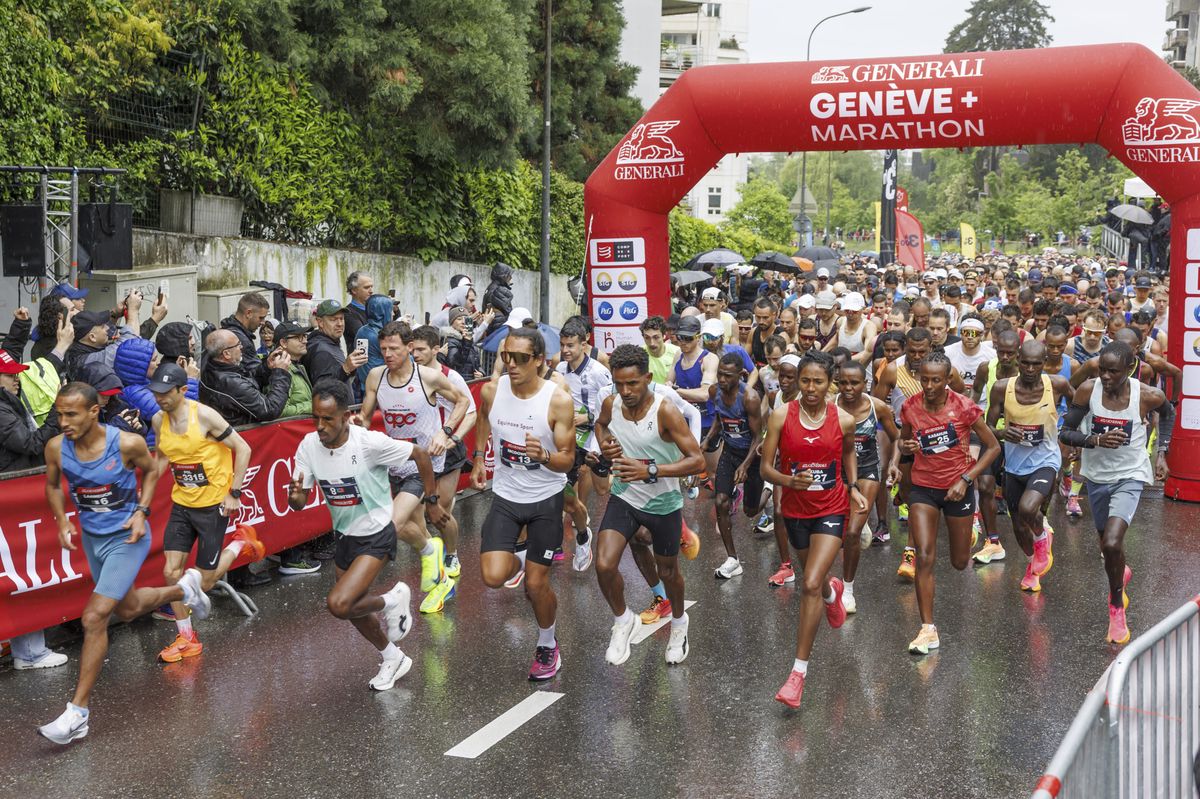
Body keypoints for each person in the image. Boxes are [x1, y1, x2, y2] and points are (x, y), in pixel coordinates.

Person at [39, 383, 207, 744]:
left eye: (71, 414)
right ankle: (183, 590)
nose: (64, 422)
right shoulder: (56, 447)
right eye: (60, 414)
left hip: (127, 538)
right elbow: (52, 485)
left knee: (94, 617)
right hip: (92, 539)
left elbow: (152, 470)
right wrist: (62, 519)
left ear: (93, 411)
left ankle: (77, 713)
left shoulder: (126, 443)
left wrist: (142, 511)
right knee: (128, 609)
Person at [288, 380, 446, 691]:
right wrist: (294, 496)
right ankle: (392, 657)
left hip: (377, 535)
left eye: (328, 419)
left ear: (346, 416)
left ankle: (392, 600)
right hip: (345, 537)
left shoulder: (369, 443)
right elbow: (299, 502)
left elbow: (420, 455)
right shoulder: (308, 446)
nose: (319, 426)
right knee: (353, 608)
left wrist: (432, 501)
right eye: (315, 417)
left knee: (339, 604)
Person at [760, 351, 866, 709]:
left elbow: (848, 453)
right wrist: (789, 480)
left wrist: (852, 486)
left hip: (831, 508)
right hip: (795, 510)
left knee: (807, 584)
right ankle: (832, 593)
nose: (810, 388)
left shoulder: (844, 420)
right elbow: (765, 468)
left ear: (829, 384)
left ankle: (797, 674)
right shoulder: (781, 415)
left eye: (818, 381)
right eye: (804, 380)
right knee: (816, 581)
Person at [470, 327, 576, 681]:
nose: (512, 364)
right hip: (506, 496)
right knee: (492, 577)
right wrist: (478, 459)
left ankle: (547, 645)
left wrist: (544, 455)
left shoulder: (557, 400)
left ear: (539, 361)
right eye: (506, 357)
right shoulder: (492, 390)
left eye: (521, 358)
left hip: (545, 499)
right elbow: (483, 417)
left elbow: (567, 459)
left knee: (535, 585)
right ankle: (520, 559)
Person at [592, 345, 705, 665]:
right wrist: (605, 444)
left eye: (632, 383)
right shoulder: (611, 403)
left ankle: (679, 624)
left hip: (663, 502)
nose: (625, 391)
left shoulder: (665, 411)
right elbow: (601, 424)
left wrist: (651, 470)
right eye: (619, 384)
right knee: (604, 565)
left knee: (669, 572)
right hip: (625, 494)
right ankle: (622, 620)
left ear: (647, 378)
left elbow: (697, 461)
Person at [1059, 341, 1173, 645]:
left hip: (1130, 475)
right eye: (1102, 370)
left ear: (1130, 368)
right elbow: (1066, 432)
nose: (1106, 377)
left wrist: (1162, 453)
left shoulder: (1146, 395)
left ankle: (1115, 607)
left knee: (1111, 542)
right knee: (1108, 547)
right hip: (1096, 477)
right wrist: (1094, 441)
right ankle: (1120, 571)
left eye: (1113, 371)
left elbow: (1168, 412)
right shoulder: (1088, 391)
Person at [149, 363, 261, 662]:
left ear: (182, 390)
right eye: (156, 392)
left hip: (213, 505)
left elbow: (243, 448)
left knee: (207, 582)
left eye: (165, 393)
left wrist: (234, 492)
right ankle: (187, 638)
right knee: (171, 572)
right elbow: (162, 458)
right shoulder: (158, 420)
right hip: (182, 503)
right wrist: (143, 490)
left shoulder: (205, 416)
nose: (159, 398)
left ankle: (240, 544)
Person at [359, 321, 469, 613]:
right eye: (383, 349)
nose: (387, 354)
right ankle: (441, 579)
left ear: (409, 347)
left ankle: (440, 552)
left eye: (393, 349)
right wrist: (357, 427)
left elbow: (462, 401)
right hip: (395, 462)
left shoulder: (428, 377)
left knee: (392, 523)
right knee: (414, 527)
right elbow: (366, 417)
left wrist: (445, 432)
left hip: (424, 464)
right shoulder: (376, 376)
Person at [899, 352, 1001, 655]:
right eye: (925, 379)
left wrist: (966, 479)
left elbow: (993, 447)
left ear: (947, 380)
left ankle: (970, 531)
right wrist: (906, 447)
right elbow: (904, 442)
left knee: (959, 562)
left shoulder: (964, 407)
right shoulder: (910, 407)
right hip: (923, 489)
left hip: (958, 489)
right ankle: (927, 629)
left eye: (936, 380)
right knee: (924, 556)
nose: (929, 386)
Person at [986, 341, 1074, 592]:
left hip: (1046, 461)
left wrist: (1070, 436)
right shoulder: (1002, 388)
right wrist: (1002, 433)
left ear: (1045, 362)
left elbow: (1078, 405)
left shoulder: (1056, 384)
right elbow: (988, 426)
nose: (1031, 369)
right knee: (1018, 526)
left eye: (1037, 364)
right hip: (1014, 465)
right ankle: (1032, 565)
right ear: (1018, 360)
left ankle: (1042, 537)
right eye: (1025, 363)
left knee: (1028, 508)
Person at [408, 325, 476, 577]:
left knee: (440, 510)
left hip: (448, 451)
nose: (415, 354)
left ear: (436, 349)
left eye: (421, 350)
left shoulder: (451, 377)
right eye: (412, 350)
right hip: (419, 452)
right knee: (415, 513)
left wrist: (453, 437)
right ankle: (431, 552)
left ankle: (452, 553)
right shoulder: (407, 376)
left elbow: (471, 413)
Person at [834, 360, 899, 613]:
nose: (848, 388)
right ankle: (858, 525)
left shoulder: (877, 407)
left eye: (854, 383)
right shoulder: (830, 407)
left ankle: (848, 590)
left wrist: (893, 463)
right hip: (837, 472)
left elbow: (897, 437)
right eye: (843, 383)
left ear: (865, 383)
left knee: (852, 532)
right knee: (837, 533)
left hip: (868, 471)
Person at [554, 318, 611, 570]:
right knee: (564, 483)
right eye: (563, 345)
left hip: (595, 433)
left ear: (583, 344)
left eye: (570, 346)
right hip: (571, 437)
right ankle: (571, 530)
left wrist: (588, 417)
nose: (566, 350)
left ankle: (615, 477)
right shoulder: (559, 369)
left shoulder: (598, 371)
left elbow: (612, 403)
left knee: (602, 489)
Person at [706, 352, 766, 579]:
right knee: (721, 502)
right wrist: (708, 439)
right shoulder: (714, 391)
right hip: (729, 453)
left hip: (751, 457)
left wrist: (745, 465)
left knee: (750, 511)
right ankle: (732, 559)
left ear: (741, 375)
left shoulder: (749, 398)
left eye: (728, 376)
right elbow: (719, 419)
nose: (722, 379)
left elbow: (758, 437)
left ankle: (768, 490)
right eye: (720, 374)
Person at [199, 329, 292, 426]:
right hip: (244, 433)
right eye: (238, 345)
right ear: (226, 354)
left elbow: (248, 381)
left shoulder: (214, 367)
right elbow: (269, 410)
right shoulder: (230, 382)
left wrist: (267, 367)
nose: (241, 347)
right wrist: (281, 373)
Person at [304, 300, 368, 386]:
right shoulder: (321, 351)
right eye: (333, 320)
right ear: (320, 322)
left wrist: (351, 368)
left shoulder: (329, 341)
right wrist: (346, 369)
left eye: (341, 318)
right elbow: (323, 388)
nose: (340, 324)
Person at [219, 292, 270, 376]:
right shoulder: (241, 340)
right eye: (261, 318)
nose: (263, 322)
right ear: (248, 313)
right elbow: (257, 375)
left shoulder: (226, 329)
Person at [640, 316, 679, 385]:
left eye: (656, 337)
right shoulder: (638, 355)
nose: (652, 343)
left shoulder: (677, 353)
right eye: (647, 338)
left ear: (664, 335)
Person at [343, 271, 375, 348]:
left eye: (371, 287)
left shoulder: (373, 310)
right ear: (354, 290)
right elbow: (367, 338)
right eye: (366, 287)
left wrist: (395, 312)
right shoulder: (349, 313)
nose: (371, 291)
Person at [482, 261, 515, 335]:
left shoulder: (491, 287)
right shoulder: (498, 290)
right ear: (503, 276)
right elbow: (506, 312)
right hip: (498, 329)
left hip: (492, 327)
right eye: (509, 275)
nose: (511, 278)